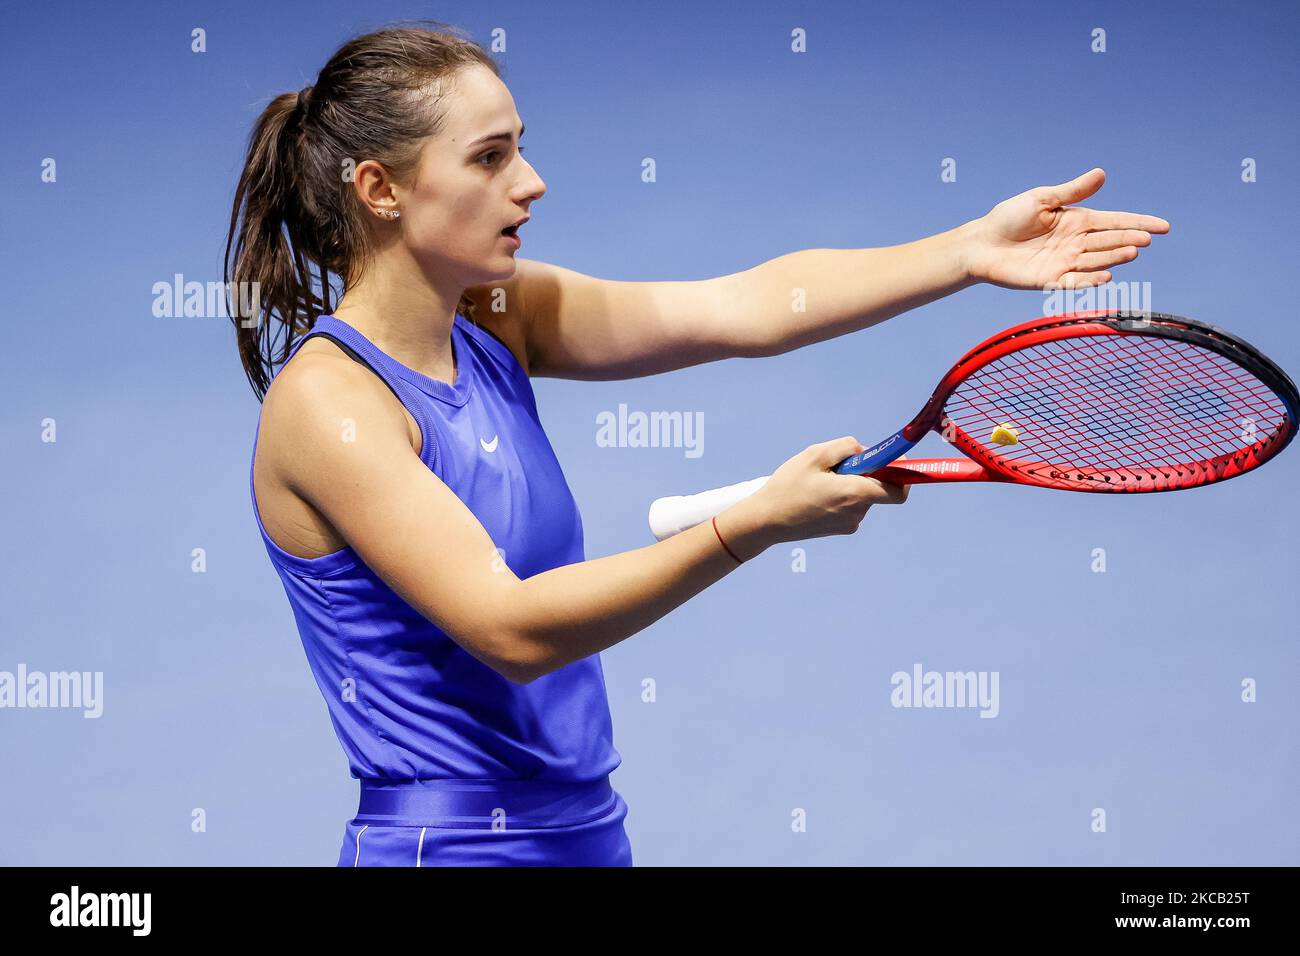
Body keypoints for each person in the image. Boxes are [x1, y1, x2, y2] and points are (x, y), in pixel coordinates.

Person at [225, 22, 1168, 866]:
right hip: (449, 848)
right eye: (490, 157)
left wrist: (968, 249)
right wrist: (750, 527)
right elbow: (510, 629)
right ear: (381, 189)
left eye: (524, 148)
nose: (531, 181)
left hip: (588, 829)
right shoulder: (329, 406)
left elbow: (743, 306)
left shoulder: (498, 319)